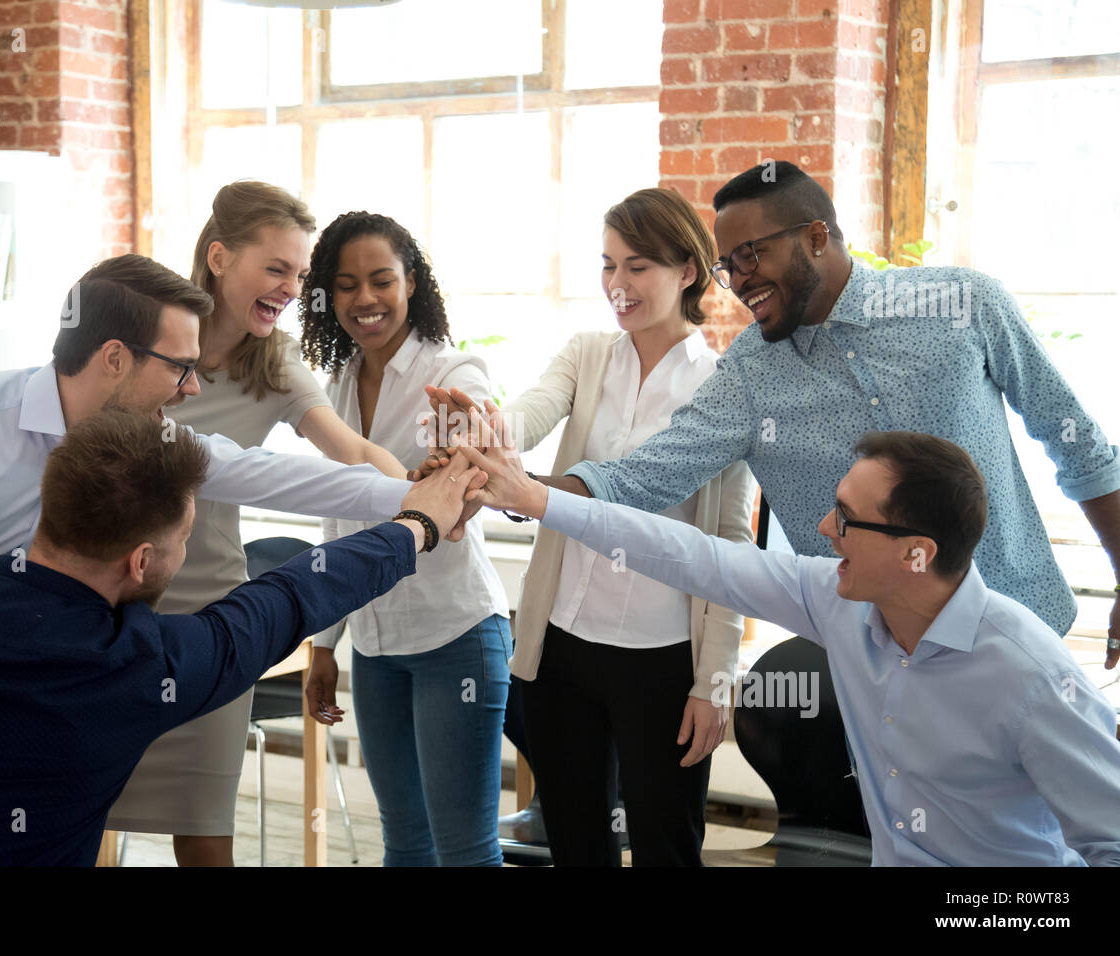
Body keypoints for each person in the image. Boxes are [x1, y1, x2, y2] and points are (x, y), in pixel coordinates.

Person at [434, 162, 1120, 659]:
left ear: (816, 236)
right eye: (729, 266)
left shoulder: (965, 306)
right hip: (880, 665)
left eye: (752, 255)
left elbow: (1080, 446)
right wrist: (523, 492)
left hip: (1023, 635)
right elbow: (640, 478)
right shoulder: (749, 376)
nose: (739, 283)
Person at [0, 410, 481, 866]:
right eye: (182, 541)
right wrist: (416, 525)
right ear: (141, 561)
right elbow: (285, 599)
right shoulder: (133, 669)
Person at [456, 412, 1120, 866]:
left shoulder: (1031, 676)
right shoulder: (838, 599)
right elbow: (692, 555)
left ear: (918, 553)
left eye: (849, 519)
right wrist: (538, 499)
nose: (825, 527)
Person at [0, 253, 449, 624]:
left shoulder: (151, 439)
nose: (192, 391)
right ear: (115, 357)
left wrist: (415, 497)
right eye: (179, 369)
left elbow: (271, 474)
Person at [428, 188, 754, 865]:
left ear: (687, 271)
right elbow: (530, 414)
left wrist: (714, 680)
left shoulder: (723, 387)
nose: (618, 285)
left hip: (664, 657)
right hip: (565, 645)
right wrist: (480, 428)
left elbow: (730, 545)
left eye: (638, 266)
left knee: (667, 845)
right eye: (608, 265)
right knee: (576, 843)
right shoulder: (587, 355)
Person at [107, 182, 408, 868]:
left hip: (212, 620)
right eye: (276, 269)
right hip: (117, 612)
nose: (290, 288)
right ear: (218, 257)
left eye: (301, 276)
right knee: (85, 810)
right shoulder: (137, 339)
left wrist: (422, 494)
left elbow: (352, 451)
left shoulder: (275, 364)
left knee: (207, 832)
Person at [299, 211, 511, 866]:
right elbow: (336, 521)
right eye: (346, 285)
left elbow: (478, 432)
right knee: (406, 846)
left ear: (411, 282)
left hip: (455, 640)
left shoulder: (453, 371)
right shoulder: (333, 390)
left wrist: (463, 452)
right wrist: (324, 644)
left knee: (465, 851)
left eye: (381, 280)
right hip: (375, 647)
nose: (365, 299)